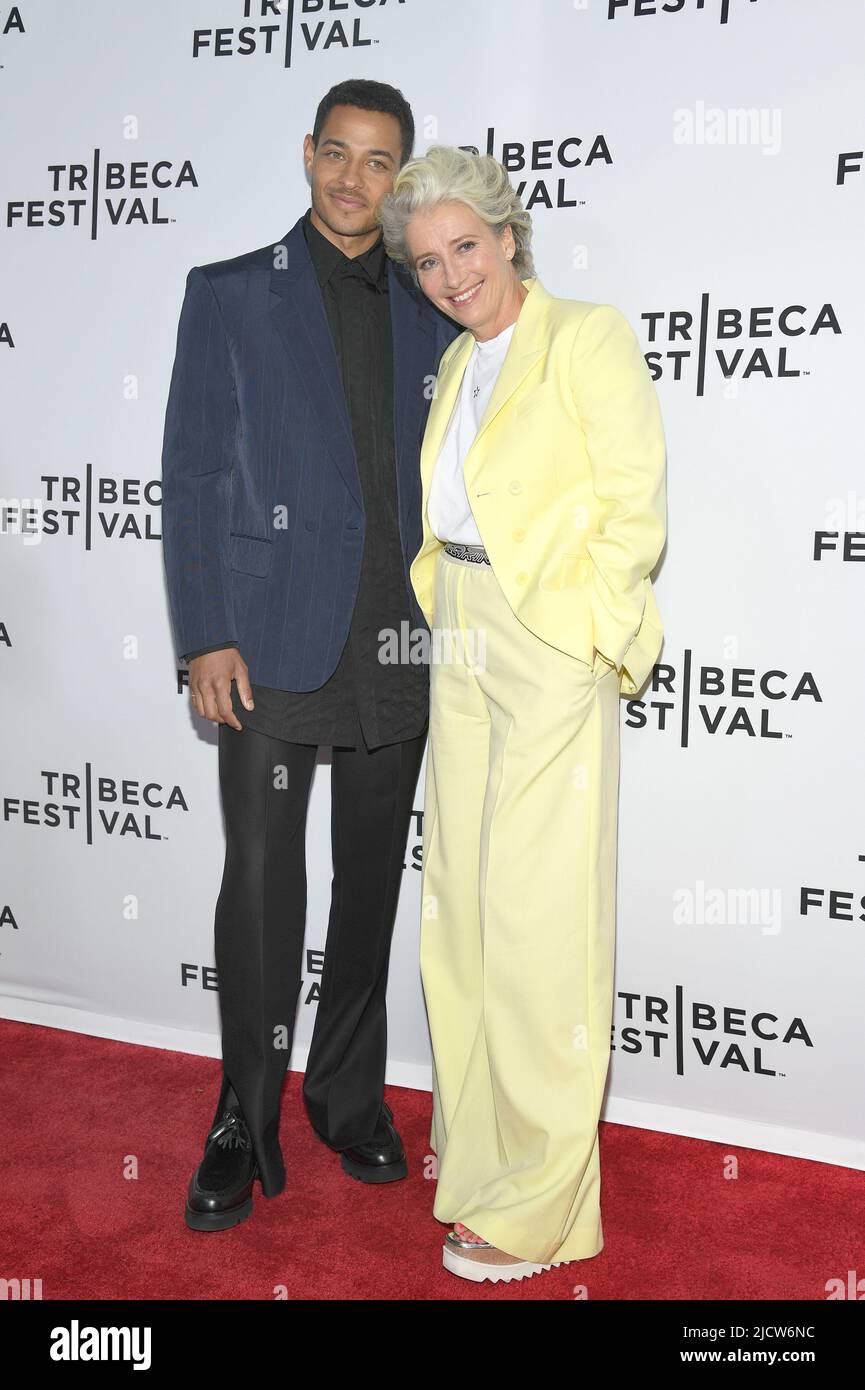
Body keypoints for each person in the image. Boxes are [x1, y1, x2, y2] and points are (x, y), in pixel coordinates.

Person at [161, 83, 458, 1232]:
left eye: (379, 163)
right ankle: (242, 1112)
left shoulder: (437, 309)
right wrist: (202, 630)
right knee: (263, 885)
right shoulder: (229, 293)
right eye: (336, 154)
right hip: (269, 638)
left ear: (401, 176)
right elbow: (191, 472)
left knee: (369, 882)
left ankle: (345, 1094)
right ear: (307, 153)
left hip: (398, 634)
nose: (352, 179)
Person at [379, 145, 667, 1283]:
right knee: (462, 905)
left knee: (539, 919)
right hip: (456, 618)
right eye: (427, 262)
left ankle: (543, 1205)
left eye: (465, 247)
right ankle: (483, 1145)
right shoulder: (459, 358)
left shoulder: (585, 335)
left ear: (507, 236)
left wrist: (582, 629)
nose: (450, 276)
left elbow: (633, 507)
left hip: (545, 634)